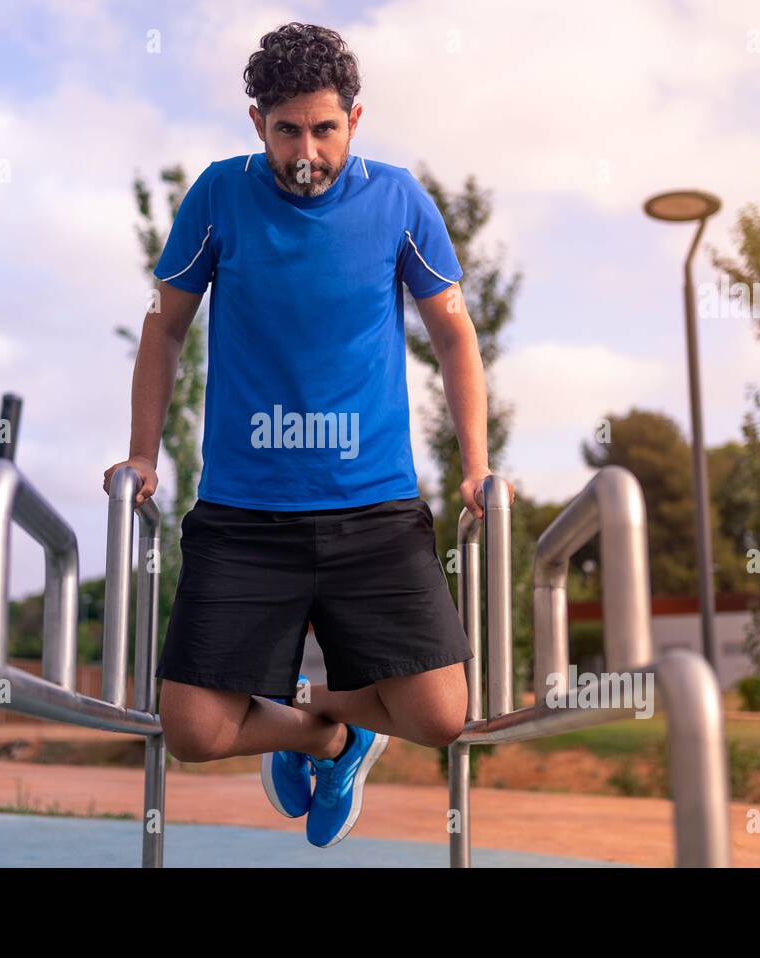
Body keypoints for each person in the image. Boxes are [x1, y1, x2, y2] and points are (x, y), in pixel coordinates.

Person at [103, 21, 512, 849]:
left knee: (440, 716)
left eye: (324, 129)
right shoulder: (219, 197)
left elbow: (454, 333)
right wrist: (143, 454)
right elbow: (165, 329)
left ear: (354, 122)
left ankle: (341, 719)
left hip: (375, 509)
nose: (305, 151)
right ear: (258, 122)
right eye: (287, 128)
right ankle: (321, 733)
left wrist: (476, 467)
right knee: (191, 729)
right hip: (244, 512)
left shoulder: (398, 201)